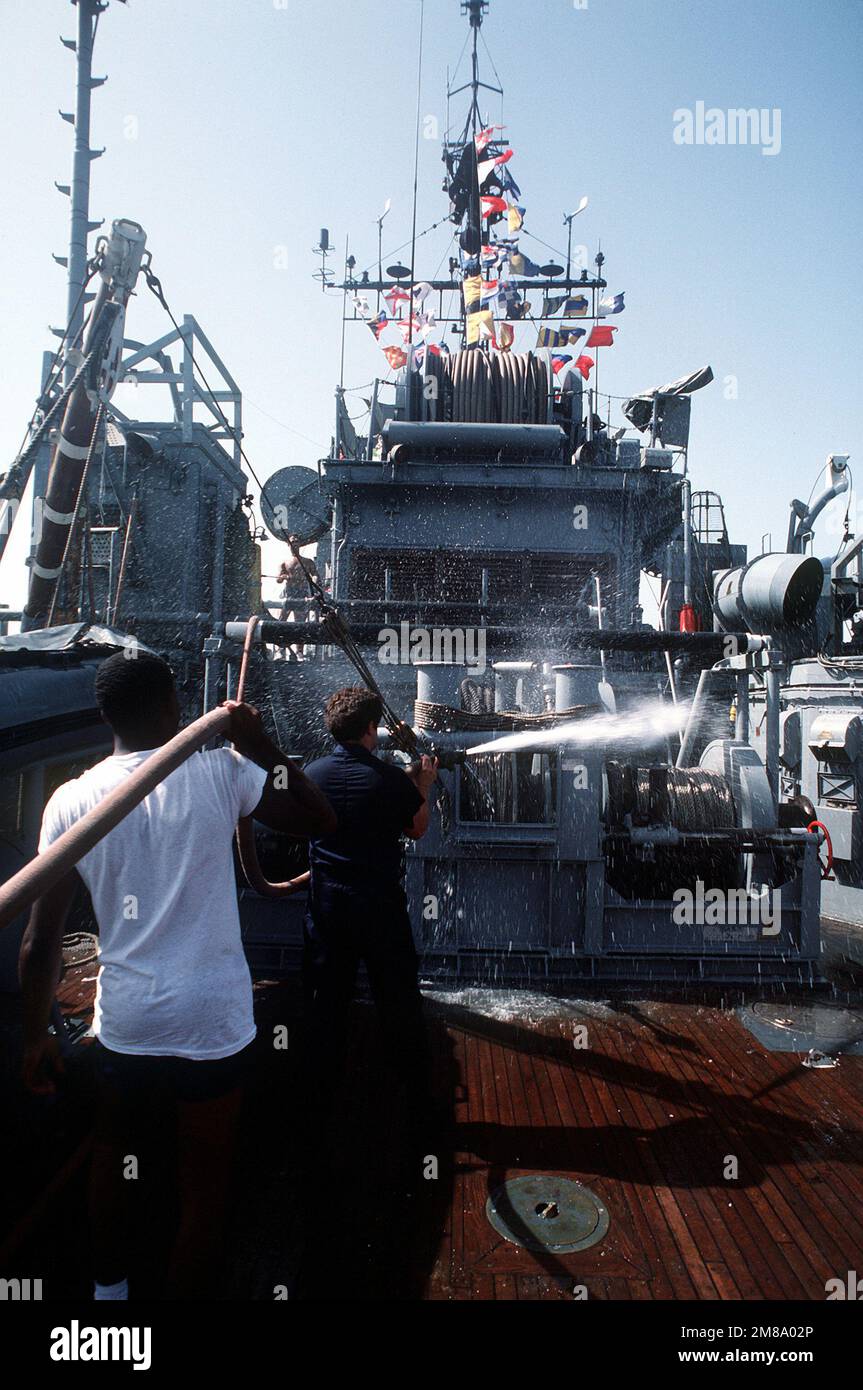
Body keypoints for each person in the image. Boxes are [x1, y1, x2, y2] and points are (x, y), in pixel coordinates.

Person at [19, 650, 336, 1300]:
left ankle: (111, 1298)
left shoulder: (70, 800)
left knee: (112, 1156)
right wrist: (260, 745)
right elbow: (318, 820)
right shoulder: (221, 772)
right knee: (204, 1180)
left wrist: (34, 1038)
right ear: (172, 706)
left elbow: (38, 941)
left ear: (103, 713)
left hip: (128, 1022)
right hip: (211, 1022)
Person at [302, 685, 438, 1149]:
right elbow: (417, 829)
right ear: (369, 729)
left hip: (327, 908)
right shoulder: (389, 781)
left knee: (327, 1004)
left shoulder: (310, 775)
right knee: (397, 1001)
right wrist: (423, 783)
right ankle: (415, 1103)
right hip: (378, 906)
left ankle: (317, 1105)